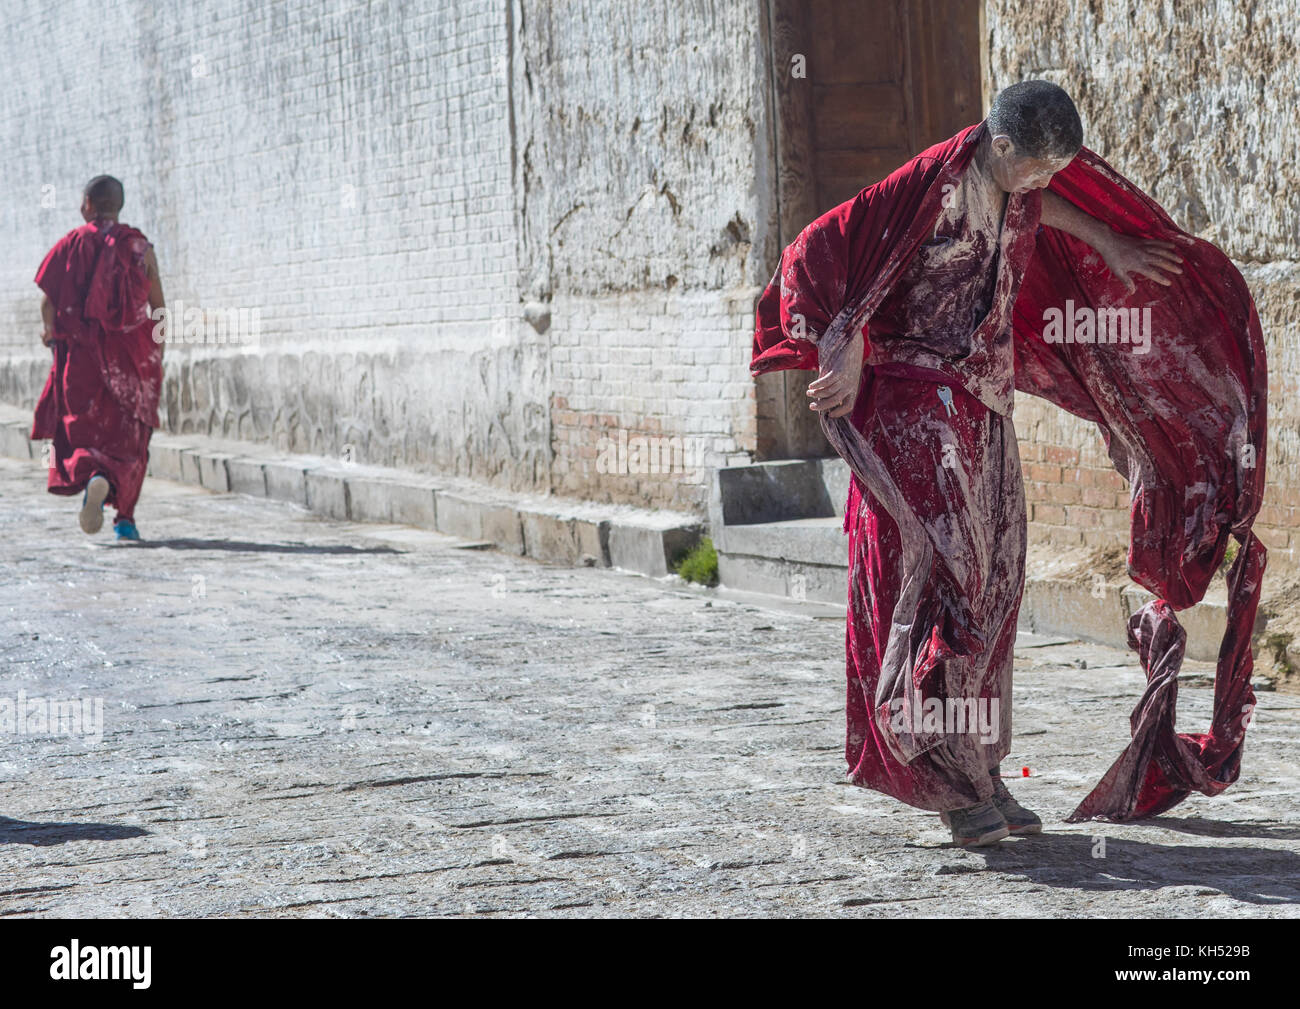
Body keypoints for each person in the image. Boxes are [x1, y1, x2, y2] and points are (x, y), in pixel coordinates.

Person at [753, 81, 1200, 846]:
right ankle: (948, 786)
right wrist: (850, 340)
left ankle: (981, 766)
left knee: (996, 586)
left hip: (984, 411)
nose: (1041, 186)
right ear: (999, 147)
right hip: (915, 413)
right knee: (947, 586)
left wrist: (1111, 242)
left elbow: (1039, 209)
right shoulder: (931, 186)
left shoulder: (1018, 191)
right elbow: (817, 251)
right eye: (1033, 168)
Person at [33, 175, 165, 542]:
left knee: (84, 433)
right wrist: (157, 356)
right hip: (131, 361)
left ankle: (94, 476)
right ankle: (125, 519)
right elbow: (159, 308)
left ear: (88, 205)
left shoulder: (71, 244)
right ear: (118, 205)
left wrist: (49, 333)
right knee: (129, 438)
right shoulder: (138, 247)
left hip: (82, 360)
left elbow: (49, 301)